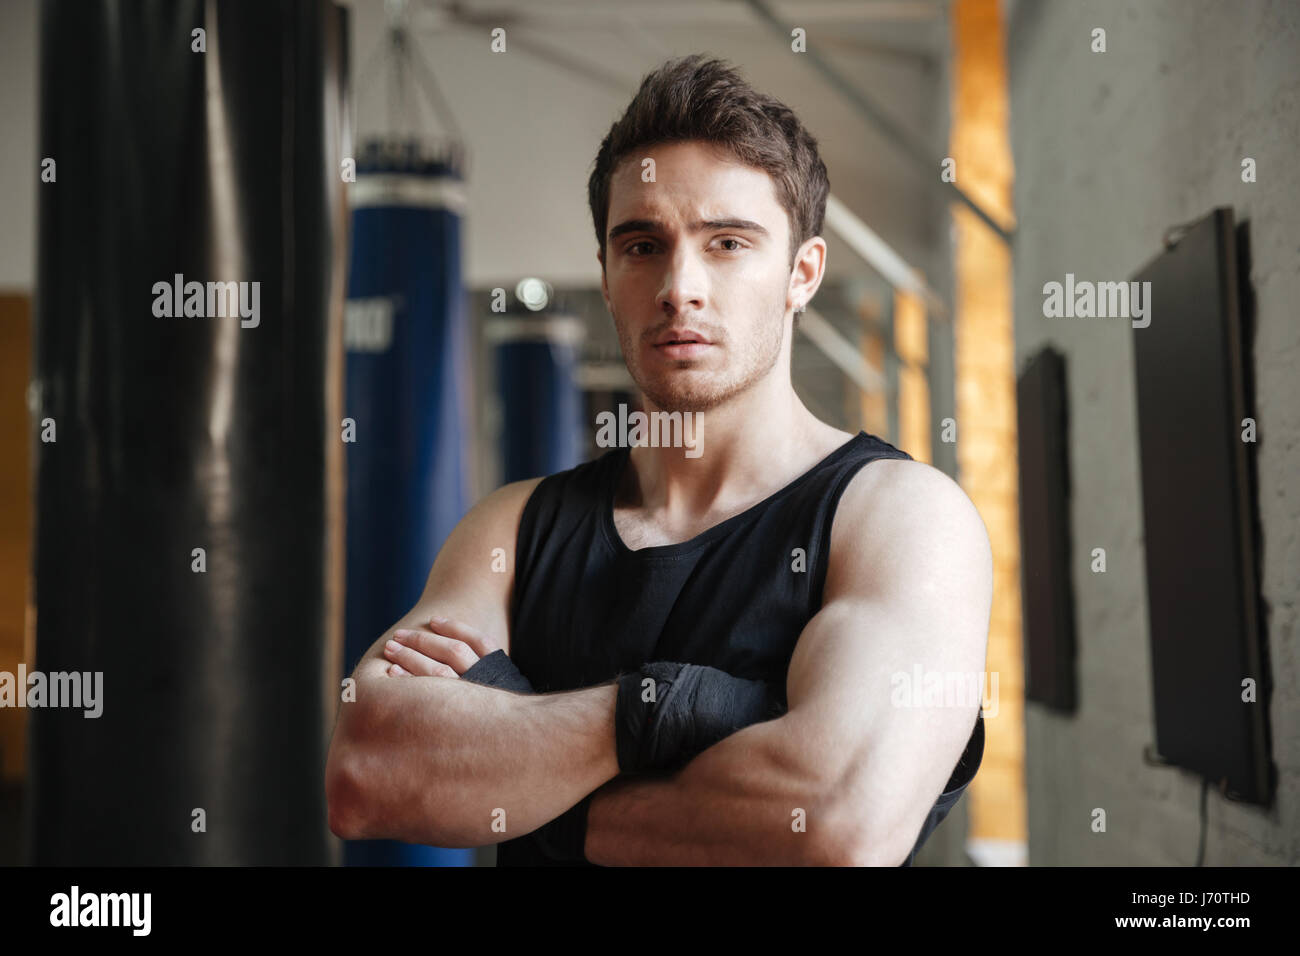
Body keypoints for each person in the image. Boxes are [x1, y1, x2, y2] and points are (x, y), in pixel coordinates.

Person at [325, 54, 991, 867]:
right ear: (606, 274)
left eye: (727, 243)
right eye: (642, 245)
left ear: (802, 274)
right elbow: (369, 774)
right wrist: (667, 710)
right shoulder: (516, 525)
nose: (681, 286)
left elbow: (833, 825)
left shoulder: (897, 519)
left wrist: (513, 783)